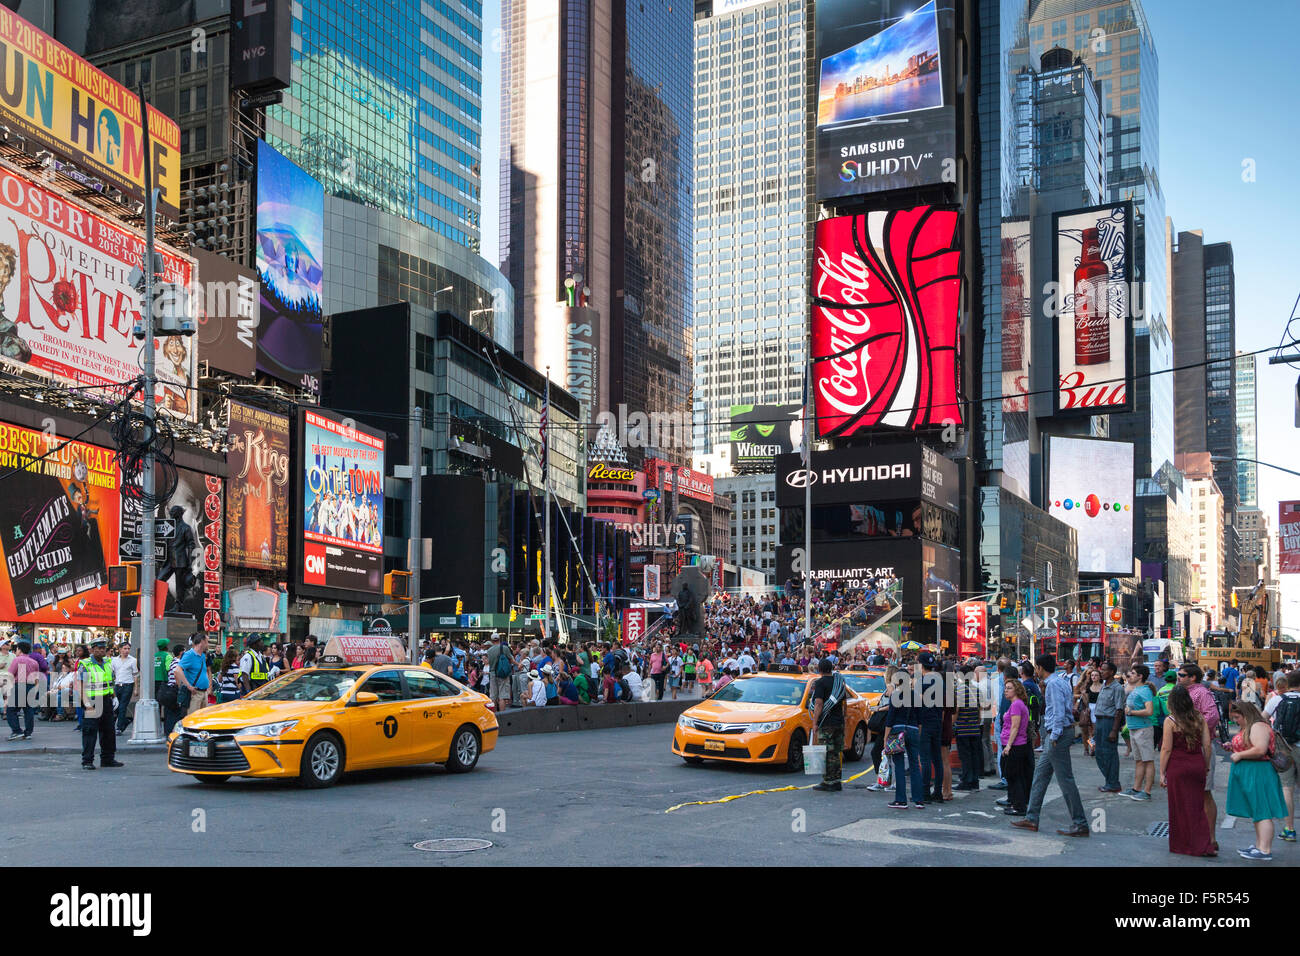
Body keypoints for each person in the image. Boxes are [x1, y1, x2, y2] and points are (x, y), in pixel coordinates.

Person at [1011, 655, 1089, 837]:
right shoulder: (1060, 681)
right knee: (1040, 776)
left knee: (1065, 780)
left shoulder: (1053, 684)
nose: (1036, 671)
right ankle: (1032, 817)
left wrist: (1054, 736)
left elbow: (1060, 711)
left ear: (1039, 668)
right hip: (1058, 734)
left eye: (1036, 668)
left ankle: (1080, 823)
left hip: (1058, 735)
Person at [1225, 700, 1288, 861]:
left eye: (1238, 717)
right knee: (1258, 811)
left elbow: (1260, 749)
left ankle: (1264, 849)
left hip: (1258, 772)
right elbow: (1251, 746)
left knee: (1262, 811)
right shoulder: (1251, 726)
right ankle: (1260, 846)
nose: (1236, 721)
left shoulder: (1258, 726)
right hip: (1251, 771)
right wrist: (1233, 747)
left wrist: (1239, 754)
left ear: (1247, 714)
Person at [1158, 684, 1215, 857]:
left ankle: (1183, 844)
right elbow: (1207, 745)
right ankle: (1203, 844)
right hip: (1197, 764)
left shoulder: (1171, 720)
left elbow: (1166, 749)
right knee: (1197, 807)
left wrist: (1162, 772)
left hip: (1178, 767)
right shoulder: (1199, 718)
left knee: (1179, 808)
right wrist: (1205, 765)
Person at [75, 637, 122, 770]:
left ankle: (107, 759)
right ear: (92, 649)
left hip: (106, 700)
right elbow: (81, 685)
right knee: (90, 732)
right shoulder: (86, 664)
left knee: (109, 731)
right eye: (99, 649)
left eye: (103, 649)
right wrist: (87, 704)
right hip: (92, 701)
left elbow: (109, 682)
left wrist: (114, 697)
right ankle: (87, 761)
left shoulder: (107, 662)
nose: (101, 651)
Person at [1264, 669, 1300, 843]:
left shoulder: (1277, 699)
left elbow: (1262, 719)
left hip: (1282, 748)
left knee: (1287, 788)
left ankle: (1289, 829)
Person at [883, 664, 924, 809]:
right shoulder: (915, 695)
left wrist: (885, 738)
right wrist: (917, 734)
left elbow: (890, 719)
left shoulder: (895, 695)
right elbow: (920, 719)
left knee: (899, 765)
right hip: (913, 730)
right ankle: (919, 799)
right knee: (914, 765)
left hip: (897, 730)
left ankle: (901, 800)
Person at [996, 678, 1033, 816]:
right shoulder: (1015, 704)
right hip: (1013, 744)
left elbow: (1015, 727)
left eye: (1009, 688)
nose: (1006, 690)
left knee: (1014, 775)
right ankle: (1015, 803)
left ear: (1016, 690)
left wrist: (1009, 745)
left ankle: (1019, 806)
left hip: (1015, 745)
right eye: (1005, 688)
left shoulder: (1017, 704)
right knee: (1012, 775)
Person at [809, 657, 846, 792]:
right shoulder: (839, 683)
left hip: (827, 723)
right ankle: (836, 781)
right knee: (836, 752)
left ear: (819, 669)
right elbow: (844, 703)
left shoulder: (820, 683)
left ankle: (828, 781)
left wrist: (814, 723)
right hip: (839, 722)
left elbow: (818, 703)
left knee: (827, 752)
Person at [1122, 663, 1156, 801]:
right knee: (1139, 760)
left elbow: (1149, 711)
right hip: (1134, 728)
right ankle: (1136, 788)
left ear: (1140, 676)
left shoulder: (1145, 690)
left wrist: (1132, 712)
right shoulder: (1135, 689)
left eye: (1133, 673)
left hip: (1143, 729)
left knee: (1148, 760)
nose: (1130, 675)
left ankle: (1146, 791)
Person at [916, 652, 945, 803]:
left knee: (925, 759)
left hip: (925, 722)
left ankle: (925, 792)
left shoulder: (921, 682)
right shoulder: (939, 681)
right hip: (937, 720)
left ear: (921, 665)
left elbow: (917, 704)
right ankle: (938, 792)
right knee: (937, 759)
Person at [1093, 660, 1126, 793]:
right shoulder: (1104, 685)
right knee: (1099, 753)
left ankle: (1113, 783)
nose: (1101, 672)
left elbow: (1119, 710)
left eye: (1104, 670)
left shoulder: (1117, 688)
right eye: (1101, 669)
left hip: (1109, 722)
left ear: (1112, 672)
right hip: (1100, 722)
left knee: (1109, 754)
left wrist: (1114, 730)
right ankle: (1109, 780)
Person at [953, 666, 984, 791]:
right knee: (974, 755)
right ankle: (974, 780)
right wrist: (976, 722)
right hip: (974, 728)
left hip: (963, 727)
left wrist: (952, 724)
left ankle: (966, 780)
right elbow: (979, 710)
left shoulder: (959, 690)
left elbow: (956, 711)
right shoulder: (976, 690)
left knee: (965, 756)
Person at [5, 640, 40, 740]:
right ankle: (28, 733)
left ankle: (16, 731)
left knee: (11, 710)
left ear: (19, 650)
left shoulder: (17, 660)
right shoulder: (34, 662)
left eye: (16, 649)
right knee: (28, 710)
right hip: (31, 686)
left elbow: (10, 675)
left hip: (19, 685)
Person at [110, 641, 138, 735]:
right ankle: (125, 721)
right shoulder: (114, 660)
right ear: (120, 649)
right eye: (125, 648)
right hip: (117, 685)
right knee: (116, 706)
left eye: (128, 649)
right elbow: (111, 673)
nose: (127, 651)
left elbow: (135, 675)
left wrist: (136, 688)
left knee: (122, 706)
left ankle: (119, 728)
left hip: (128, 685)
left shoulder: (133, 660)